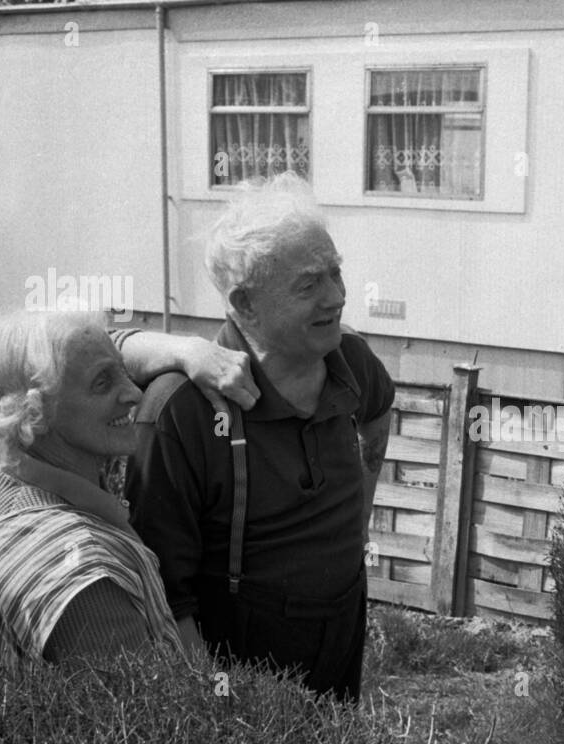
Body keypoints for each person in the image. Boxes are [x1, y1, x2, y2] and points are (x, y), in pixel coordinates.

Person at [126, 173, 394, 702]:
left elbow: (378, 414)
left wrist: (356, 521)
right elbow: (164, 598)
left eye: (336, 273)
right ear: (245, 304)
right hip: (245, 662)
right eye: (309, 283)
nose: (337, 297)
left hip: (342, 623)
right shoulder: (182, 411)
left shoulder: (352, 361)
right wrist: (213, 706)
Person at [0, 309, 249, 672]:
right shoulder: (82, 578)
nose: (134, 393)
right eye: (103, 383)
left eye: (124, 370)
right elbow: (155, 721)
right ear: (34, 410)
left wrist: (190, 351)